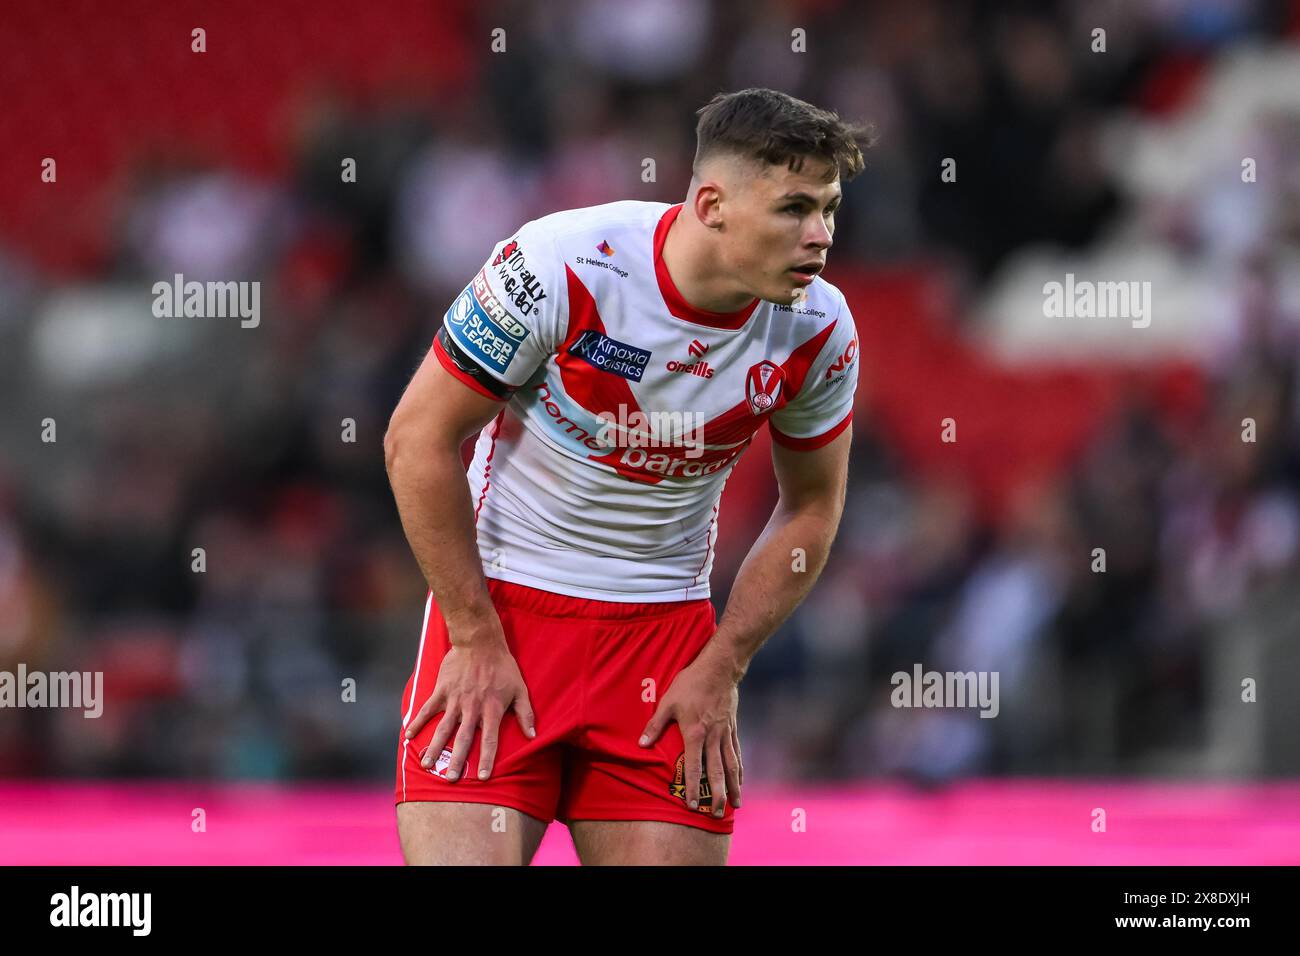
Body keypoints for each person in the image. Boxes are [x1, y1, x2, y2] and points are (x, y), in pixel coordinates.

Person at [385, 87, 867, 865]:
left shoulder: (819, 327)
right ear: (712, 204)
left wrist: (725, 662)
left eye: (831, 209)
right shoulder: (560, 265)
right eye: (795, 209)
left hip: (666, 647)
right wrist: (471, 633)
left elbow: (812, 506)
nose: (821, 236)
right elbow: (418, 439)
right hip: (503, 620)